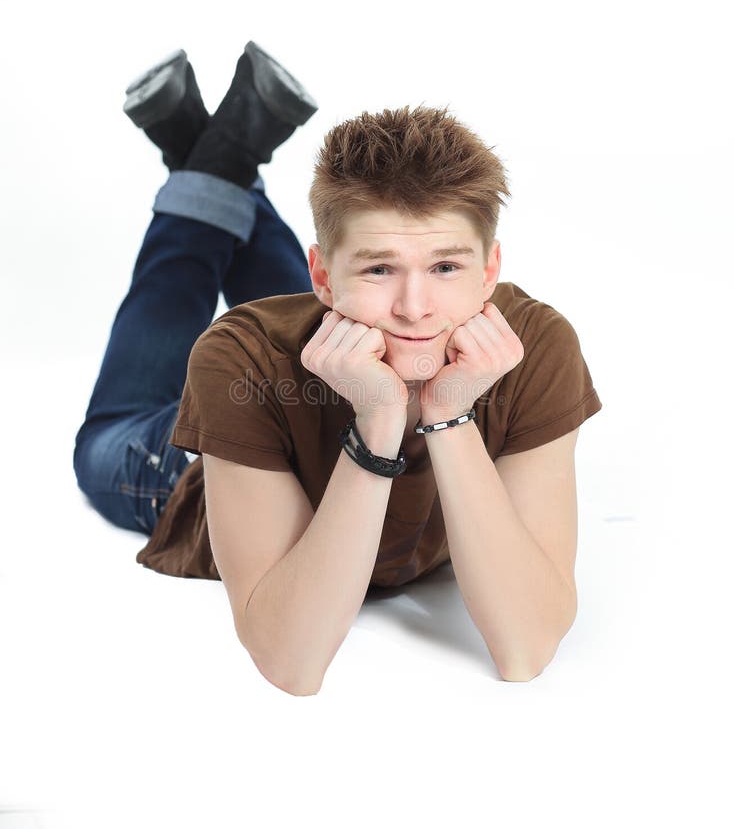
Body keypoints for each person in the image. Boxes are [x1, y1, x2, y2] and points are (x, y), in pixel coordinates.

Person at [73, 43, 603, 694]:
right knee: (165, 301)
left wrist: (448, 413)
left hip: (328, 340)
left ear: (489, 270)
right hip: (172, 470)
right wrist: (379, 421)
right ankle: (219, 154)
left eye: (445, 267)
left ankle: (216, 154)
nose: (413, 308)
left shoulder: (534, 345)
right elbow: (291, 663)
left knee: (352, 312)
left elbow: (525, 649)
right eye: (380, 267)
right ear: (318, 274)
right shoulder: (238, 355)